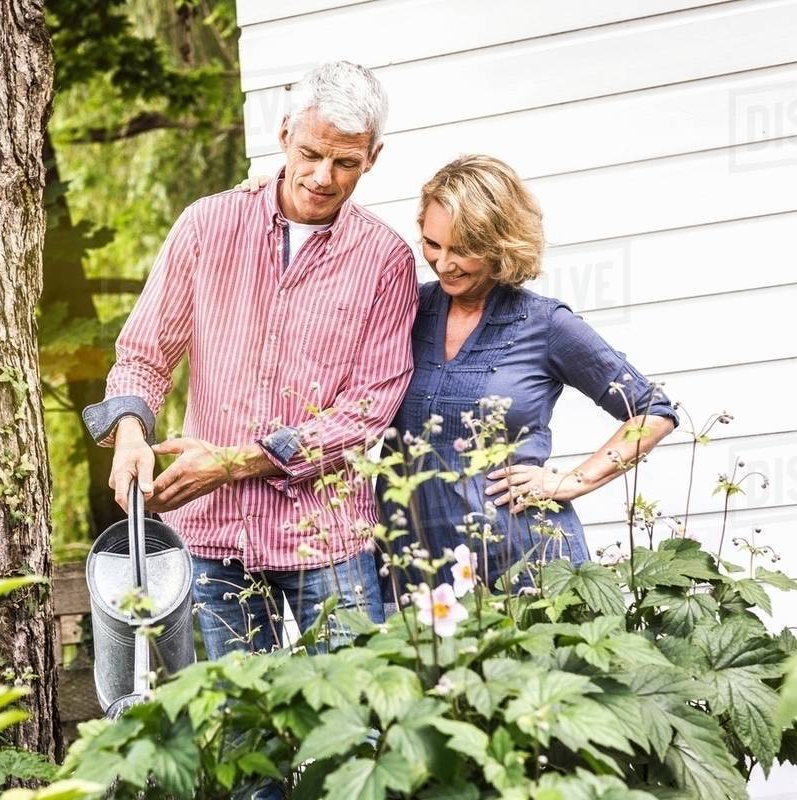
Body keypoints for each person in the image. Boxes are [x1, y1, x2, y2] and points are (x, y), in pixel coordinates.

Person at [82, 61, 419, 659]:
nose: (321, 176)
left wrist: (237, 462)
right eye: (311, 152)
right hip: (212, 538)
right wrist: (131, 430)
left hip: (327, 540)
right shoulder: (207, 227)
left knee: (355, 726)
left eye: (345, 162)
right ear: (285, 131)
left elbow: (366, 412)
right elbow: (143, 352)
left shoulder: (385, 260)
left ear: (373, 157)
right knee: (239, 739)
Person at [375, 155, 678, 597]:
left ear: (502, 243)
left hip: (523, 563)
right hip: (412, 565)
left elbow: (653, 411)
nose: (443, 264)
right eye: (432, 244)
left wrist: (571, 481)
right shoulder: (405, 308)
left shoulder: (545, 324)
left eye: (463, 249)